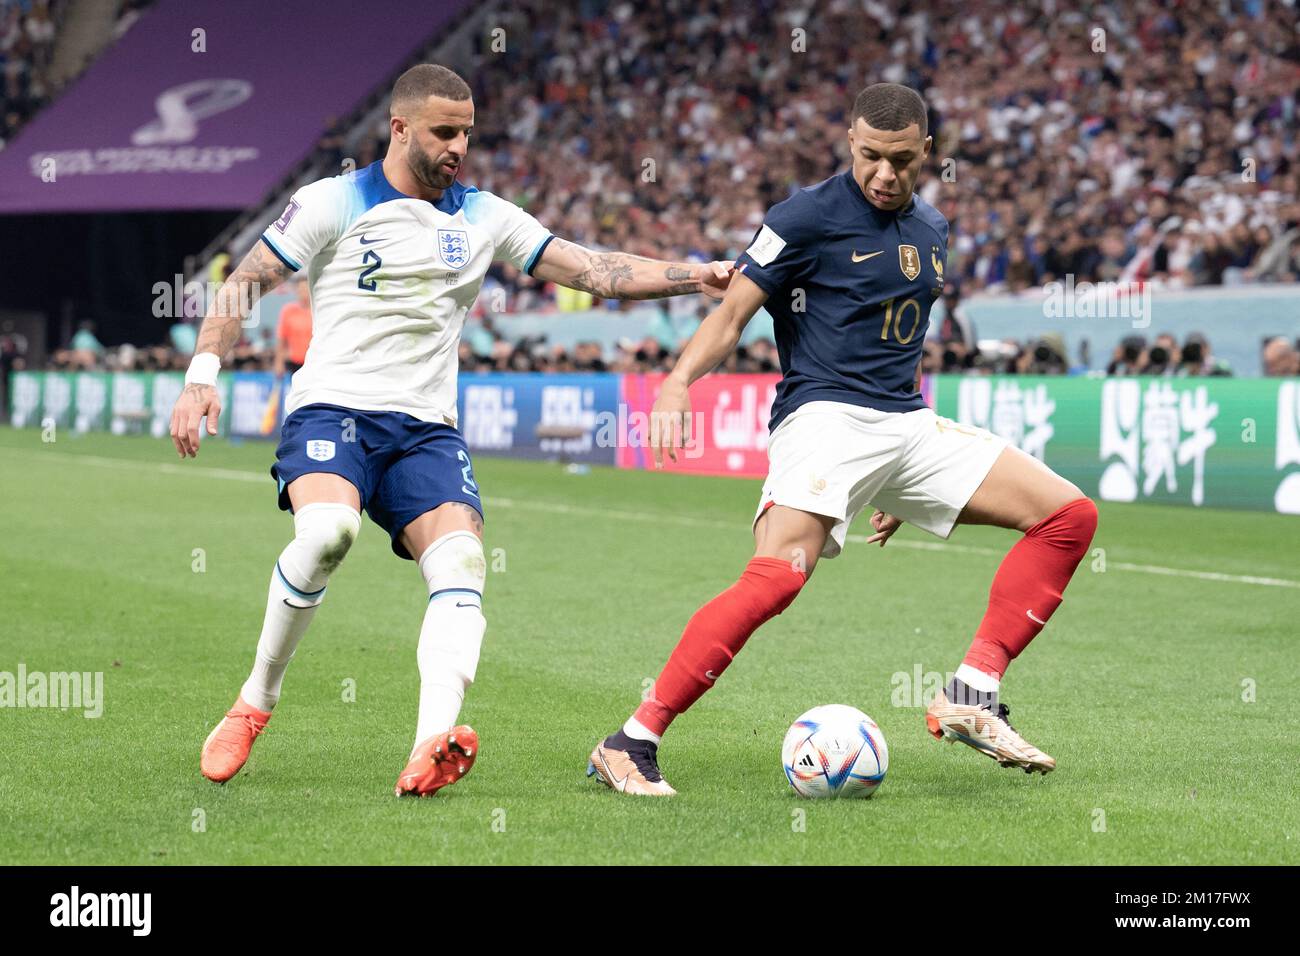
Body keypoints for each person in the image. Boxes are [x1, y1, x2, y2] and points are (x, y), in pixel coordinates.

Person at [169, 64, 732, 797]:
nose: (459, 145)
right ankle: (256, 702)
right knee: (327, 536)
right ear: (399, 128)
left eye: (467, 131)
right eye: (444, 131)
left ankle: (430, 746)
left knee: (463, 565)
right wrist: (202, 375)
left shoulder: (485, 216)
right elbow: (243, 282)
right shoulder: (332, 201)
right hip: (333, 410)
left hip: (426, 430)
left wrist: (699, 276)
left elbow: (594, 269)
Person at [587, 83, 1097, 797]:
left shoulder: (933, 229)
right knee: (777, 580)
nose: (883, 174)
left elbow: (905, 340)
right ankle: (629, 743)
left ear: (927, 152)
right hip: (824, 417)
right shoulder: (804, 215)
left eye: (899, 160)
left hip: (905, 422)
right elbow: (733, 316)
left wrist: (900, 478)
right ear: (849, 144)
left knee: (1069, 517)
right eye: (868, 157)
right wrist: (676, 385)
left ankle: (972, 692)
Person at [274, 277, 313, 378]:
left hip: (314, 361)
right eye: (300, 290)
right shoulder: (288, 311)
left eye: (306, 290)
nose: (303, 294)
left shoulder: (318, 311)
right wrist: (279, 362)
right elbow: (282, 339)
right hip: (294, 362)